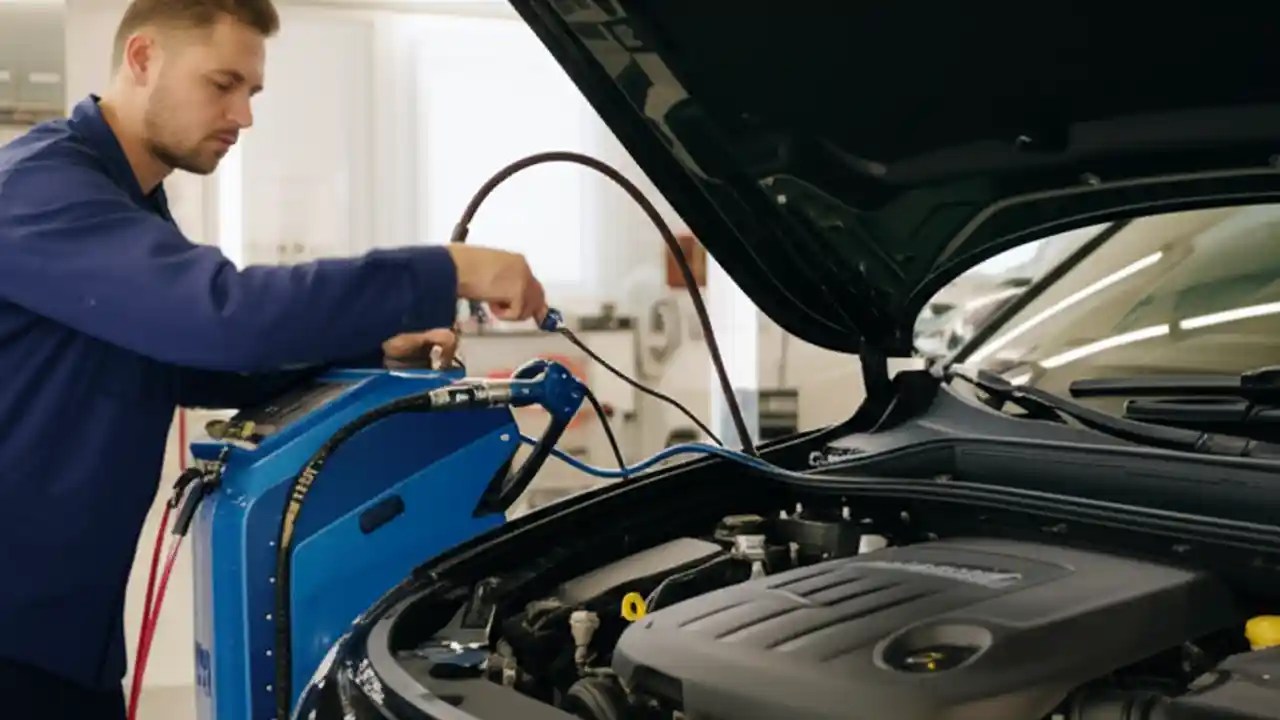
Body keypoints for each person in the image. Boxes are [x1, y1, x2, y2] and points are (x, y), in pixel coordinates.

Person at [0, 1, 548, 717]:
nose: (243, 115)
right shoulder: (38, 189)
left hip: (63, 635)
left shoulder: (124, 200)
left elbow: (198, 365)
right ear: (142, 59)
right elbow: (221, 316)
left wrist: (372, 346)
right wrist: (444, 271)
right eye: (222, 83)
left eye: (251, 92)